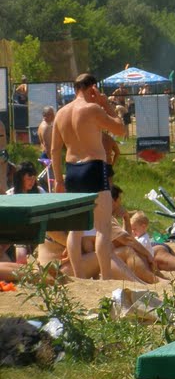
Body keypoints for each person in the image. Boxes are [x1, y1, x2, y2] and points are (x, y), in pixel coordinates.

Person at [51, 72, 126, 280]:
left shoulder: (61, 113)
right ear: (92, 88)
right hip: (93, 167)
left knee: (76, 228)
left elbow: (54, 150)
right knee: (102, 227)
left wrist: (58, 179)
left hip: (72, 170)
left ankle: (78, 277)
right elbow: (121, 130)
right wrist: (105, 103)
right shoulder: (92, 109)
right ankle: (106, 277)